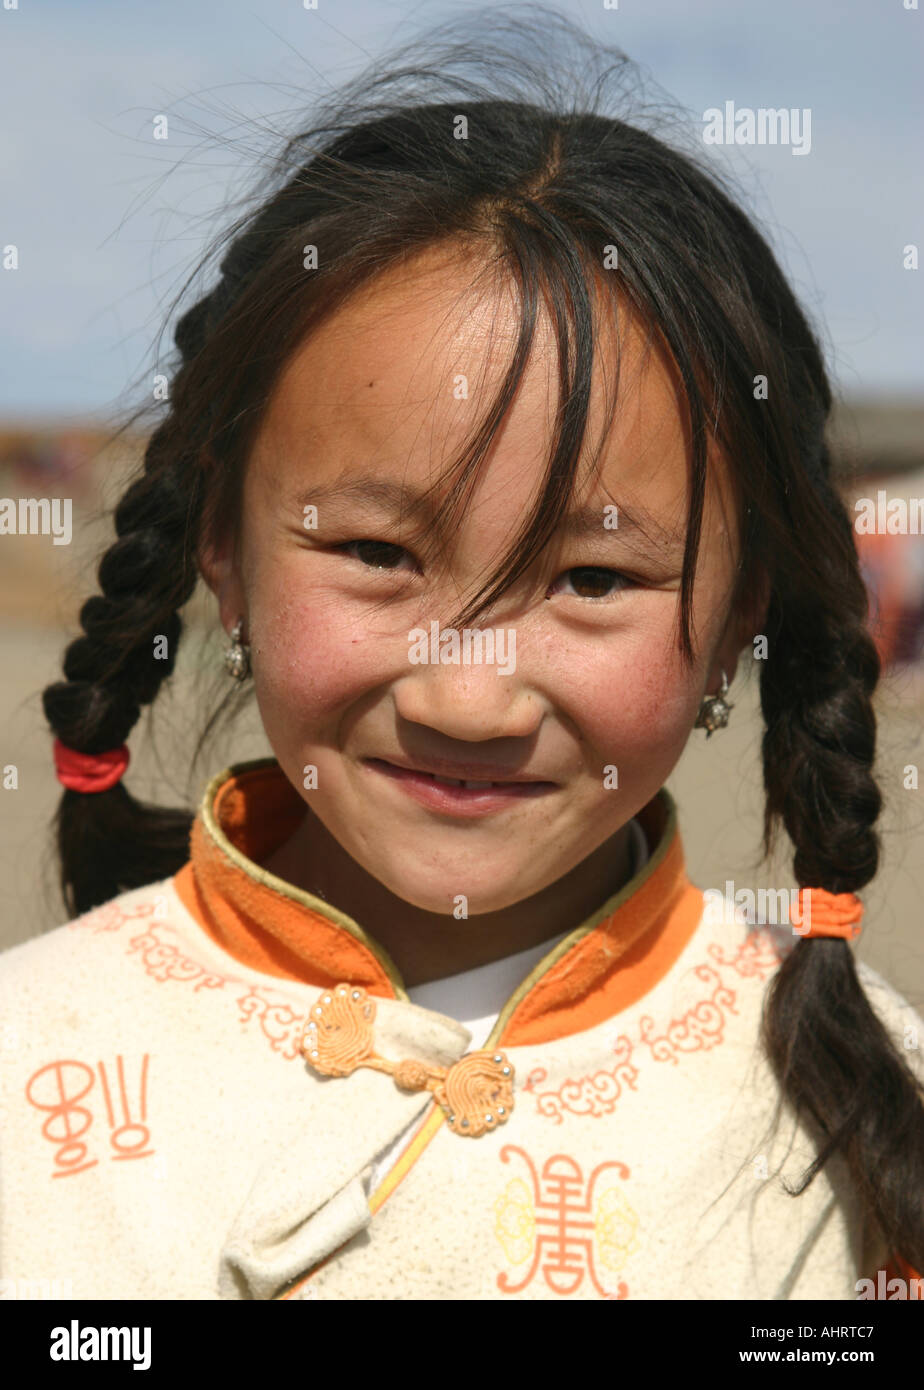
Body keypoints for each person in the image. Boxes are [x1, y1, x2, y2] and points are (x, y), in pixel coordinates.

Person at [1, 9, 922, 1301]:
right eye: (378, 554)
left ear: (736, 617)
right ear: (222, 542)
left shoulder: (864, 1119)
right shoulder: (30, 1066)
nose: (469, 693)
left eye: (595, 577)